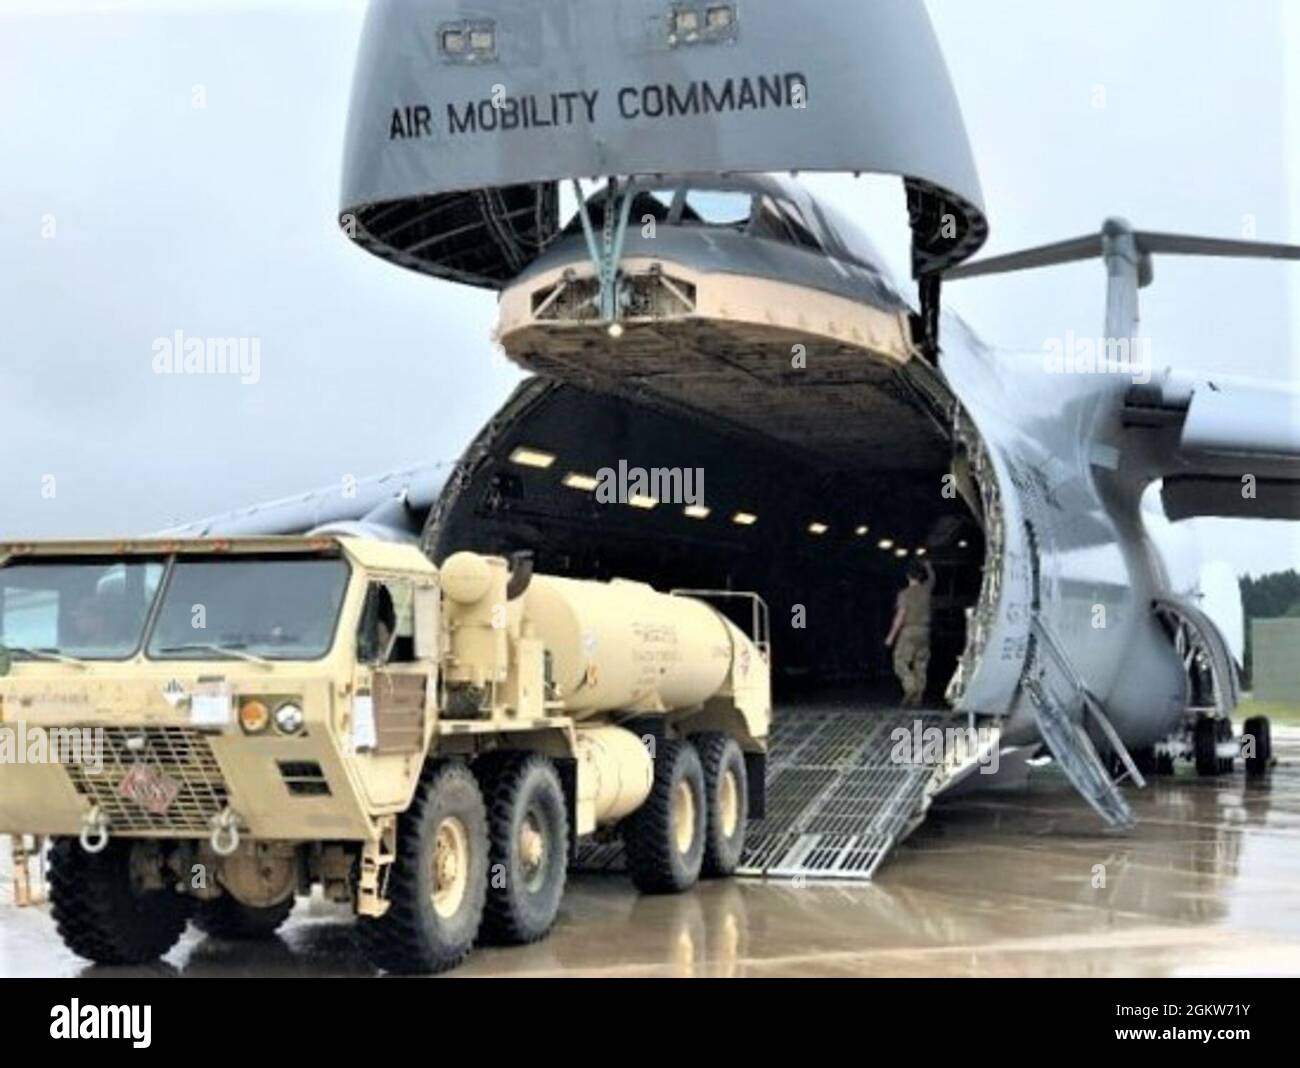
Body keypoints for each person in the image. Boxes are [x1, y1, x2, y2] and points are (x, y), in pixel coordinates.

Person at [884, 559, 934, 708]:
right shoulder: (926, 589)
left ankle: (910, 687)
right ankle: (918, 696)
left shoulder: (904, 594)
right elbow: (932, 579)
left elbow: (900, 616)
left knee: (899, 661)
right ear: (920, 576)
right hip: (925, 631)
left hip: (909, 630)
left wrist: (891, 636)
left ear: (908, 576)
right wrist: (929, 567)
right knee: (921, 663)